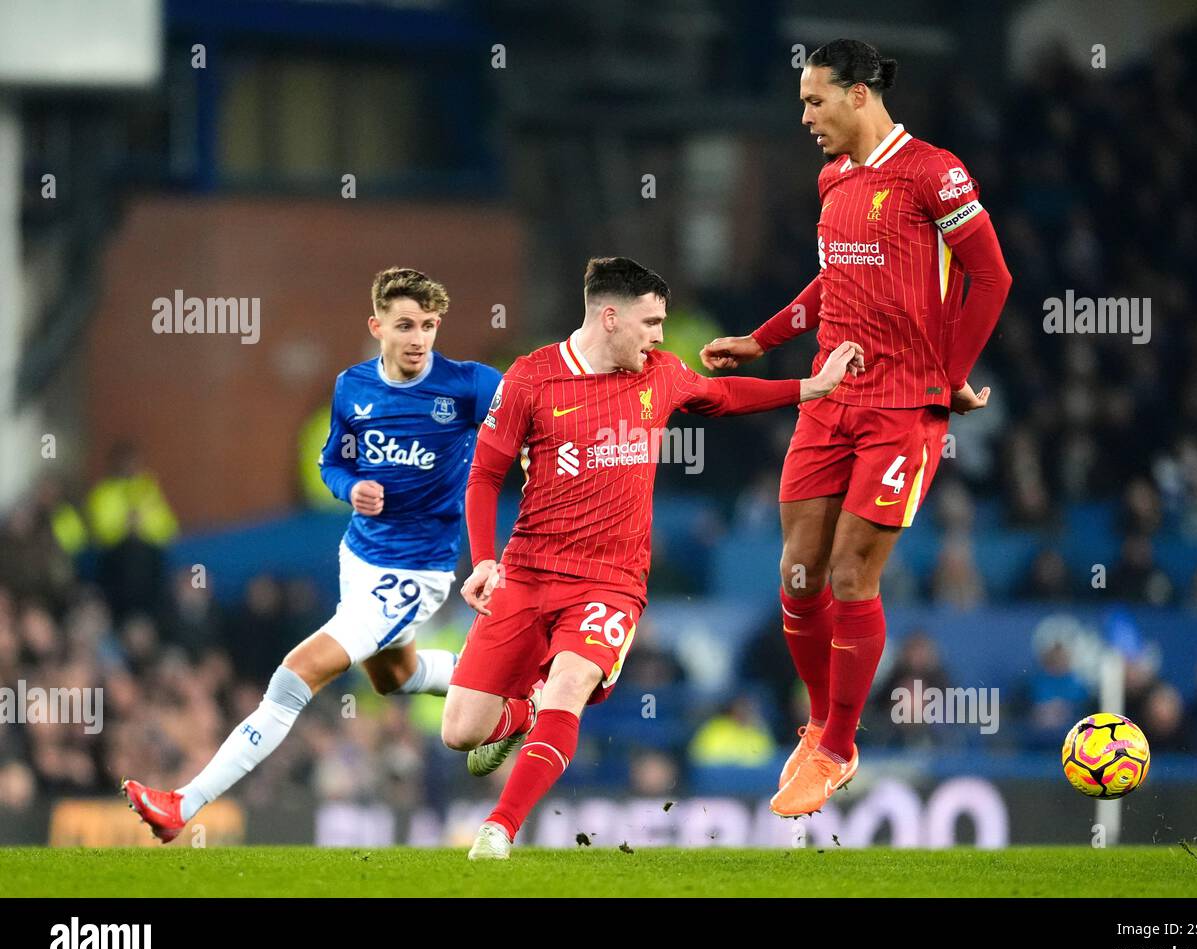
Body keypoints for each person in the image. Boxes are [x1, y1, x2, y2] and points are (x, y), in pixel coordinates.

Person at [443, 256, 863, 859]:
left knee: (568, 685)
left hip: (609, 583)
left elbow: (722, 395)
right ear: (609, 317)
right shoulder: (532, 378)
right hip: (528, 571)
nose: (661, 336)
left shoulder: (660, 375)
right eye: (652, 322)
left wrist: (810, 388)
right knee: (462, 730)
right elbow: (483, 475)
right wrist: (484, 561)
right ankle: (520, 715)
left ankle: (499, 828)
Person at [701, 39, 1012, 817]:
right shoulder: (832, 178)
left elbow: (992, 276)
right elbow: (833, 279)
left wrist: (947, 379)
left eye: (815, 100)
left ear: (860, 93)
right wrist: (764, 339)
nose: (804, 116)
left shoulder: (933, 172)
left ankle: (839, 744)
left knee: (849, 574)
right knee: (797, 573)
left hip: (904, 407)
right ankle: (817, 728)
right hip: (829, 397)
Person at [122, 267, 501, 842]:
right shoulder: (353, 387)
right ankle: (513, 685)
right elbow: (332, 461)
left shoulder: (467, 386)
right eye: (405, 325)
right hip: (360, 559)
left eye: (428, 325)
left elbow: (538, 402)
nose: (419, 338)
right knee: (396, 678)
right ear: (377, 327)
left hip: (415, 571)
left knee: (294, 675)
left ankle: (182, 803)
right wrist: (351, 488)